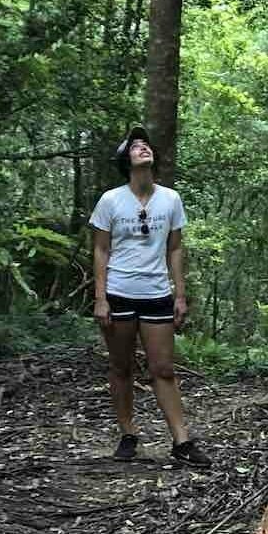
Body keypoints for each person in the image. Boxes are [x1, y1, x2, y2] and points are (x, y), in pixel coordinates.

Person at [90, 126, 209, 465]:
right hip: (119, 293)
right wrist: (101, 298)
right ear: (125, 161)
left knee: (163, 368)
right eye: (135, 146)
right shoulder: (111, 200)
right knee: (121, 367)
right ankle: (128, 434)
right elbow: (100, 250)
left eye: (146, 145)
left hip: (156, 293)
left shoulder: (170, 199)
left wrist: (179, 295)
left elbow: (174, 249)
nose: (143, 148)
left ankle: (182, 442)